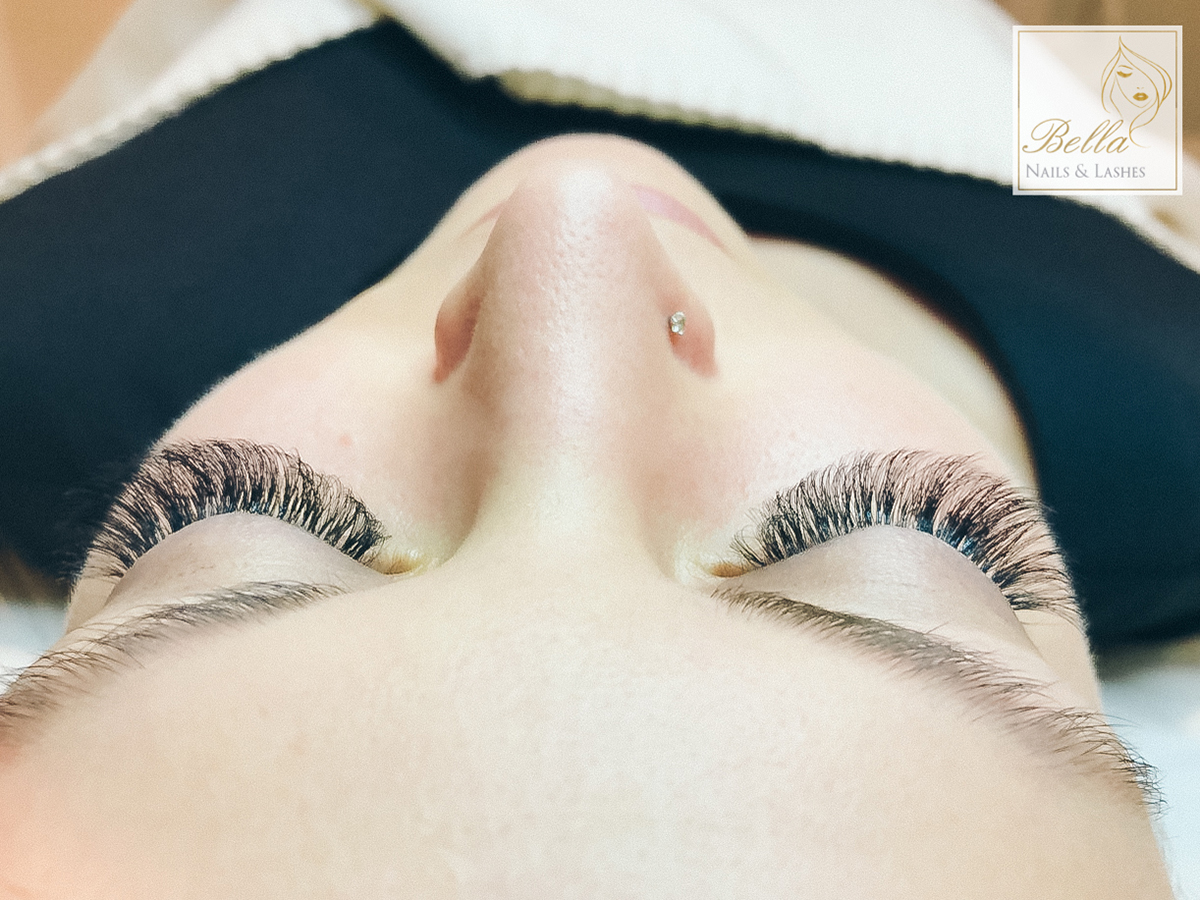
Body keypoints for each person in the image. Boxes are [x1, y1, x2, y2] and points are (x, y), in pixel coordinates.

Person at [0, 132, 1177, 897]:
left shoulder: (45, 305)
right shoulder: (1174, 370)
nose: (568, 218)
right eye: (903, 550)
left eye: (230, 530)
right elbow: (1079, 89)